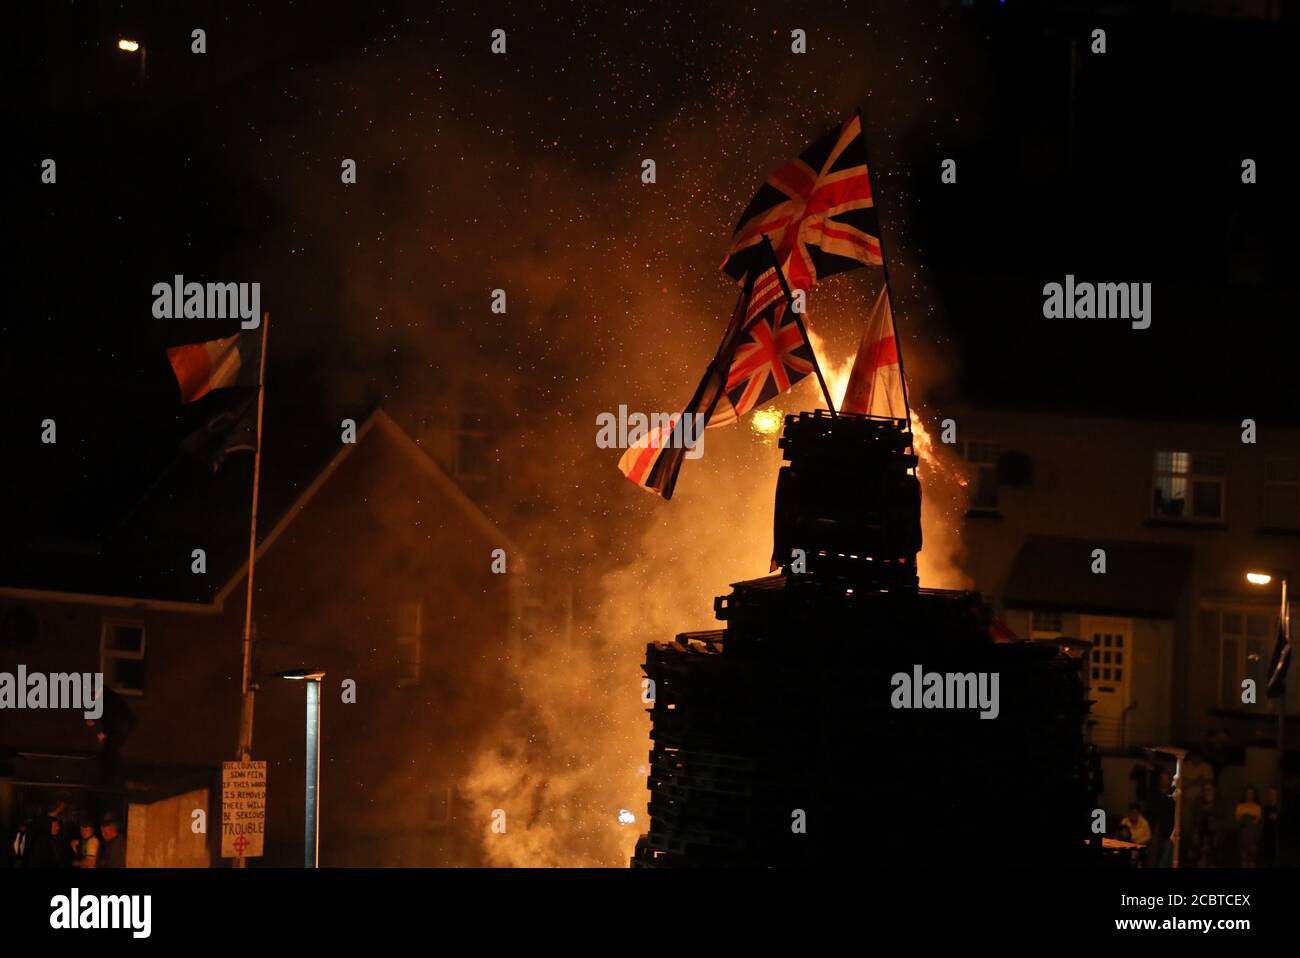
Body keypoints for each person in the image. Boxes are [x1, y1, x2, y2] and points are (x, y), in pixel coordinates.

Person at [1186, 781, 1220, 867]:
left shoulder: (1218, 803)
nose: (1208, 792)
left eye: (1210, 790)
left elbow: (1221, 817)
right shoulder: (1198, 803)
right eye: (1205, 790)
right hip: (1200, 836)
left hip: (1214, 836)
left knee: (1212, 860)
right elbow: (1195, 817)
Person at [1237, 786, 1263, 868]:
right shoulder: (1240, 806)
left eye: (1251, 793)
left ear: (1254, 795)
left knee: (1252, 860)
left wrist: (1247, 815)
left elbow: (1256, 821)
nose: (1249, 795)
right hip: (1243, 835)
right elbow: (1238, 820)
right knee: (1244, 860)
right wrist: (1246, 816)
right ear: (1245, 794)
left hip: (1253, 836)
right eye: (1248, 793)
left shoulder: (1257, 807)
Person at [1259, 787, 1280, 868]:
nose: (1272, 796)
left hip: (1275, 836)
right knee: (1266, 858)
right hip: (1266, 836)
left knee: (1273, 858)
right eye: (1270, 794)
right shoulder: (1266, 807)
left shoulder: (1278, 807)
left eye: (1274, 794)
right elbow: (1269, 818)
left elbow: (1275, 817)